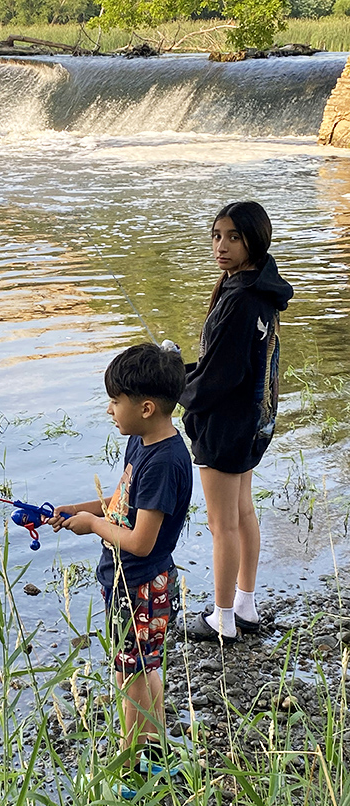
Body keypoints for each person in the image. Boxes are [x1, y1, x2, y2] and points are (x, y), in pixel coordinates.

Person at [49, 343, 192, 796]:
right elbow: (121, 507)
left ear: (146, 407)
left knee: (129, 674)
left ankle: (132, 769)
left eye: (115, 402)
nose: (110, 410)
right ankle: (155, 754)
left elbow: (140, 539)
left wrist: (92, 526)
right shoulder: (143, 440)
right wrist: (79, 508)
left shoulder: (166, 461)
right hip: (129, 581)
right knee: (142, 666)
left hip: (141, 583)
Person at [180, 201, 293, 642]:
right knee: (243, 511)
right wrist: (188, 372)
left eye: (233, 237)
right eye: (217, 236)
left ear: (254, 241)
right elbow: (230, 365)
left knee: (221, 523)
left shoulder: (241, 298)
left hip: (226, 425)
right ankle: (245, 603)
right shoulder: (258, 288)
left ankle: (223, 618)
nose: (222, 246)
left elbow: (219, 377)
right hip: (251, 419)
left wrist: (177, 389)